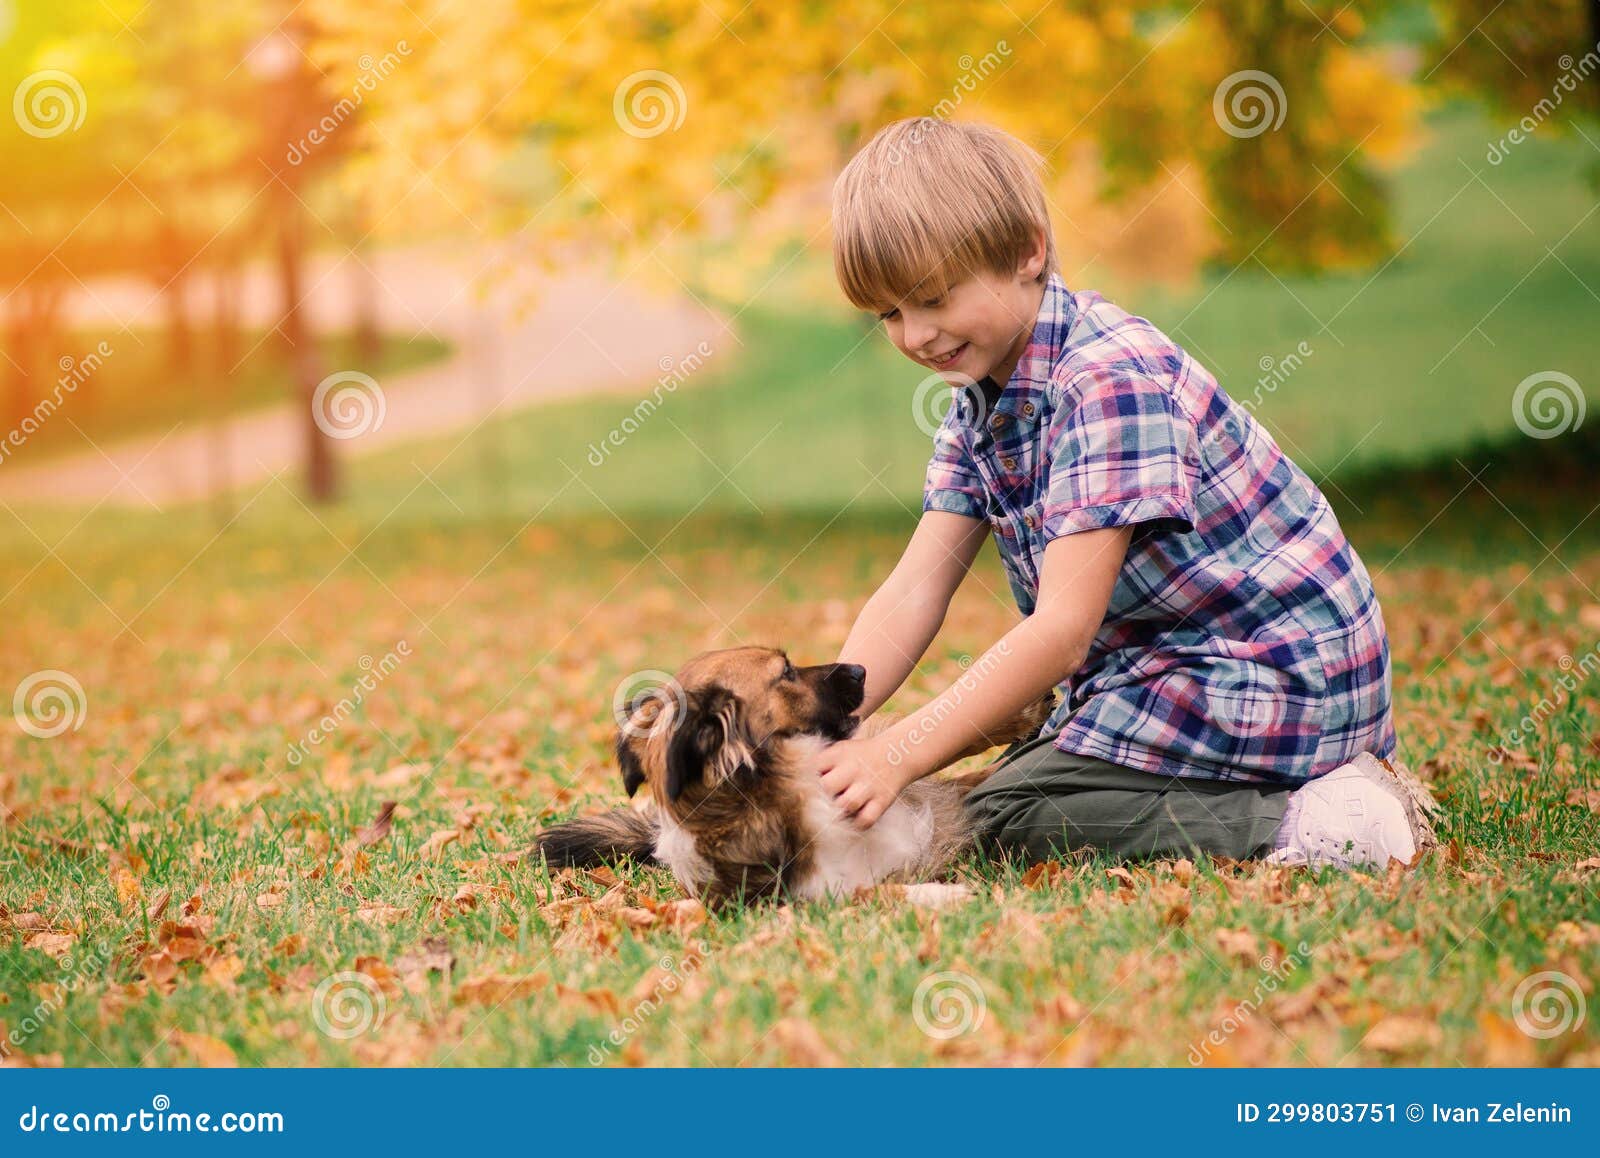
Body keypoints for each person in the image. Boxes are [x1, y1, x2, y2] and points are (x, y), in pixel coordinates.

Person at [813, 117, 1436, 868]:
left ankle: (1316, 820)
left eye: (933, 298)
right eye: (889, 313)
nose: (916, 335)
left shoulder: (1105, 379)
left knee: (1005, 819)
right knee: (1008, 788)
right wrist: (828, 729)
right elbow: (915, 589)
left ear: (1026, 251)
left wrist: (899, 753)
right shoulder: (978, 403)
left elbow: (1062, 631)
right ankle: (1265, 796)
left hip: (1274, 673)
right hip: (1177, 671)